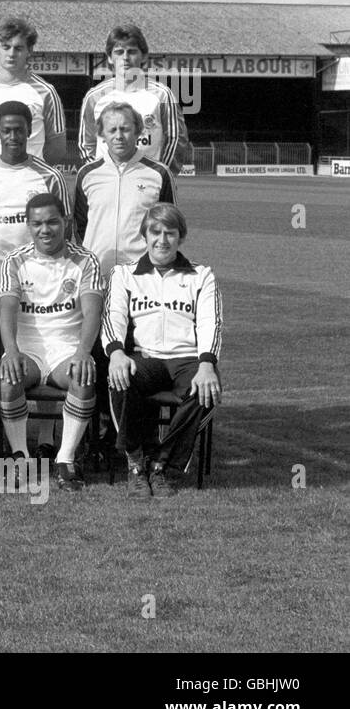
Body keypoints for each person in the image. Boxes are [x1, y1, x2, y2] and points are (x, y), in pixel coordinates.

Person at [104, 203, 221, 497]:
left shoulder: (201, 275)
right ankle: (134, 464)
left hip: (187, 360)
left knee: (205, 389)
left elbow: (211, 322)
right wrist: (117, 352)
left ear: (181, 237)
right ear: (144, 235)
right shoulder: (125, 274)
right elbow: (113, 316)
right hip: (147, 358)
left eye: (170, 233)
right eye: (155, 232)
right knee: (121, 378)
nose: (162, 240)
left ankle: (161, 466)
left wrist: (207, 364)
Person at [0, 194, 105, 492]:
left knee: (84, 375)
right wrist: (11, 351)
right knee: (8, 378)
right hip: (28, 350)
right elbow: (6, 311)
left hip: (66, 350)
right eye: (37, 224)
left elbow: (92, 313)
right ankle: (20, 456)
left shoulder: (85, 260)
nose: (45, 230)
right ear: (28, 226)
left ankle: (66, 459)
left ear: (65, 222)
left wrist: (83, 352)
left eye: (52, 222)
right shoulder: (14, 260)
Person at [75, 101, 176, 276]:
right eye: (112, 130)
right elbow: (80, 225)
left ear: (138, 131)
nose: (119, 136)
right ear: (102, 134)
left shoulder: (159, 173)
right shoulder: (87, 174)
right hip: (95, 273)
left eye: (125, 129)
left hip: (142, 275)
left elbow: (168, 226)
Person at [0, 101, 70, 264]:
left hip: (36, 267)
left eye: (19, 130)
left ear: (29, 131)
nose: (13, 137)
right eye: (6, 131)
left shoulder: (51, 177)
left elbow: (65, 228)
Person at [79, 23, 191, 173]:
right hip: (106, 181)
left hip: (148, 182)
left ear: (143, 56)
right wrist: (97, 174)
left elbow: (177, 140)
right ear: (110, 58)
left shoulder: (162, 95)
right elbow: (87, 143)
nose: (125, 58)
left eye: (131, 52)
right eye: (118, 52)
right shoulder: (94, 97)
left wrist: (160, 175)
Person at [0, 18, 66, 168]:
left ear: (29, 51)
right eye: (5, 47)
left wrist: (33, 169)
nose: (11, 53)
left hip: (31, 179)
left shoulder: (46, 92)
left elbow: (57, 146)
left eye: (18, 48)